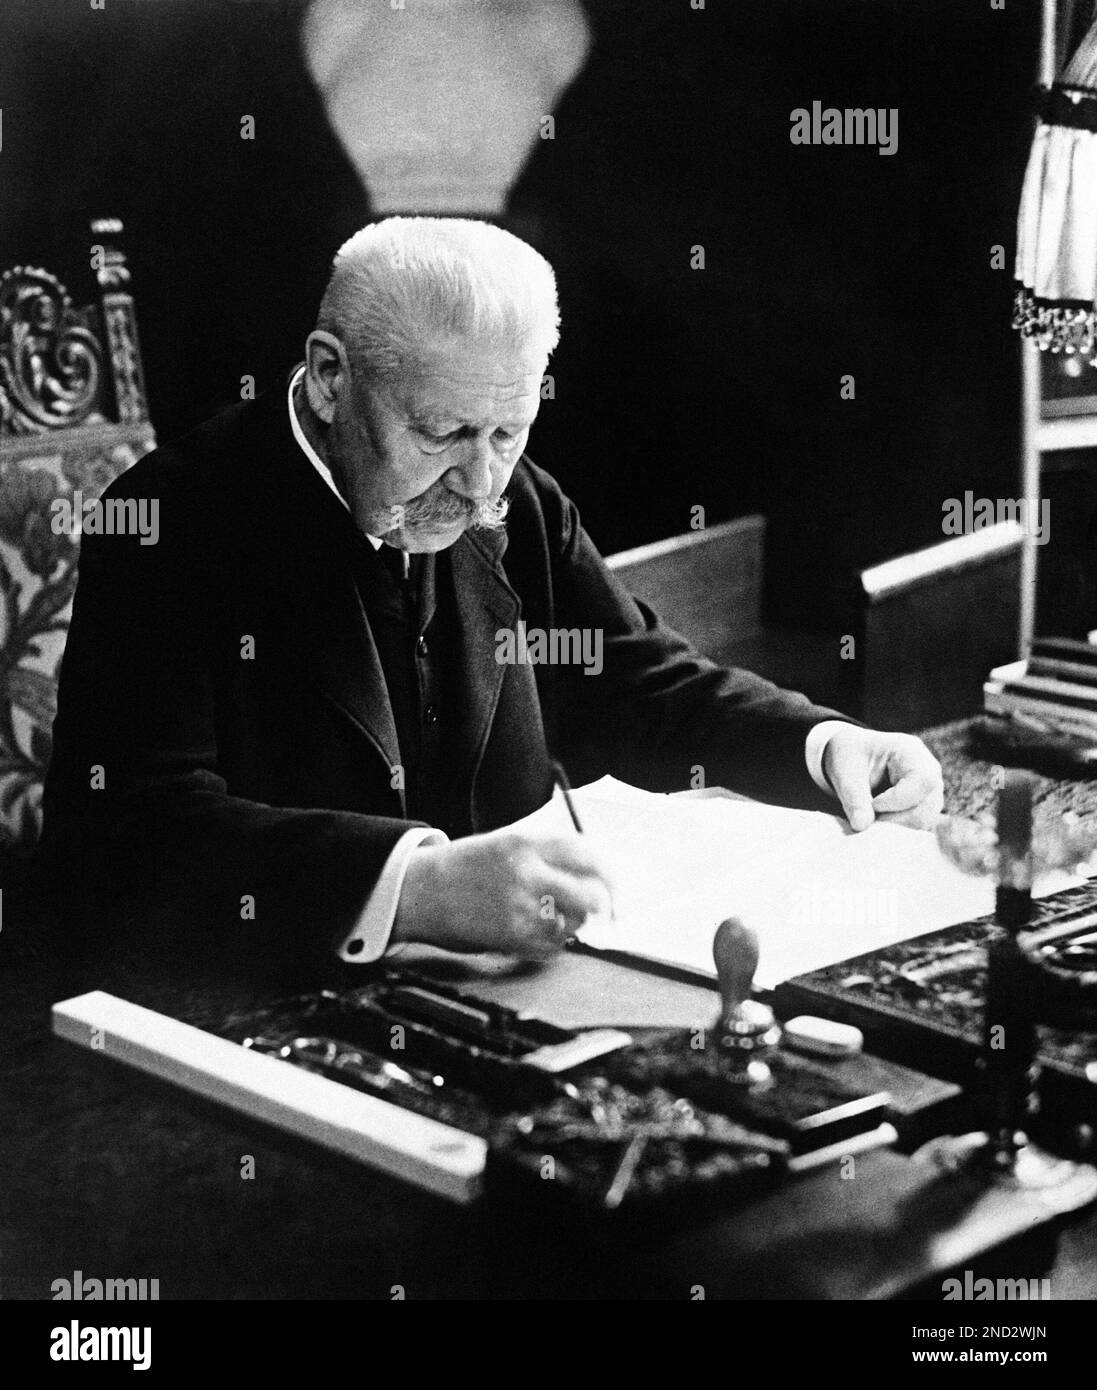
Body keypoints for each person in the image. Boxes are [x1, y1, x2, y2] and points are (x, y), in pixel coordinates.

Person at [39, 217, 942, 973]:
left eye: (508, 430)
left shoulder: (517, 498)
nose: (480, 486)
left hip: (516, 988)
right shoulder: (170, 522)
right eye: (441, 431)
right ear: (327, 376)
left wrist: (821, 745)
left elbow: (631, 680)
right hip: (250, 1007)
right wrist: (415, 886)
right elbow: (127, 828)